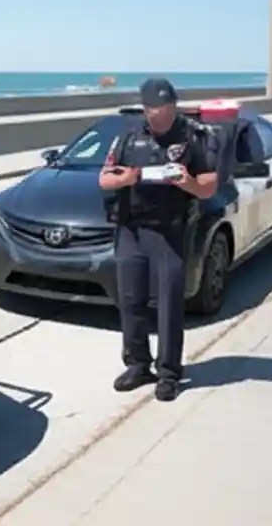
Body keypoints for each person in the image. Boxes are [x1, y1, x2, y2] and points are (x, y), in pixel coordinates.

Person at [98, 77, 218, 402]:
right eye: (156, 109)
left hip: (168, 231)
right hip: (131, 230)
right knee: (131, 301)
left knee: (168, 304)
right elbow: (104, 179)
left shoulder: (194, 137)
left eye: (168, 108)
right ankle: (138, 365)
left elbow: (209, 186)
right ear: (146, 110)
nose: (162, 115)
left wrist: (187, 182)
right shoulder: (128, 137)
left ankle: (169, 373)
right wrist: (125, 179)